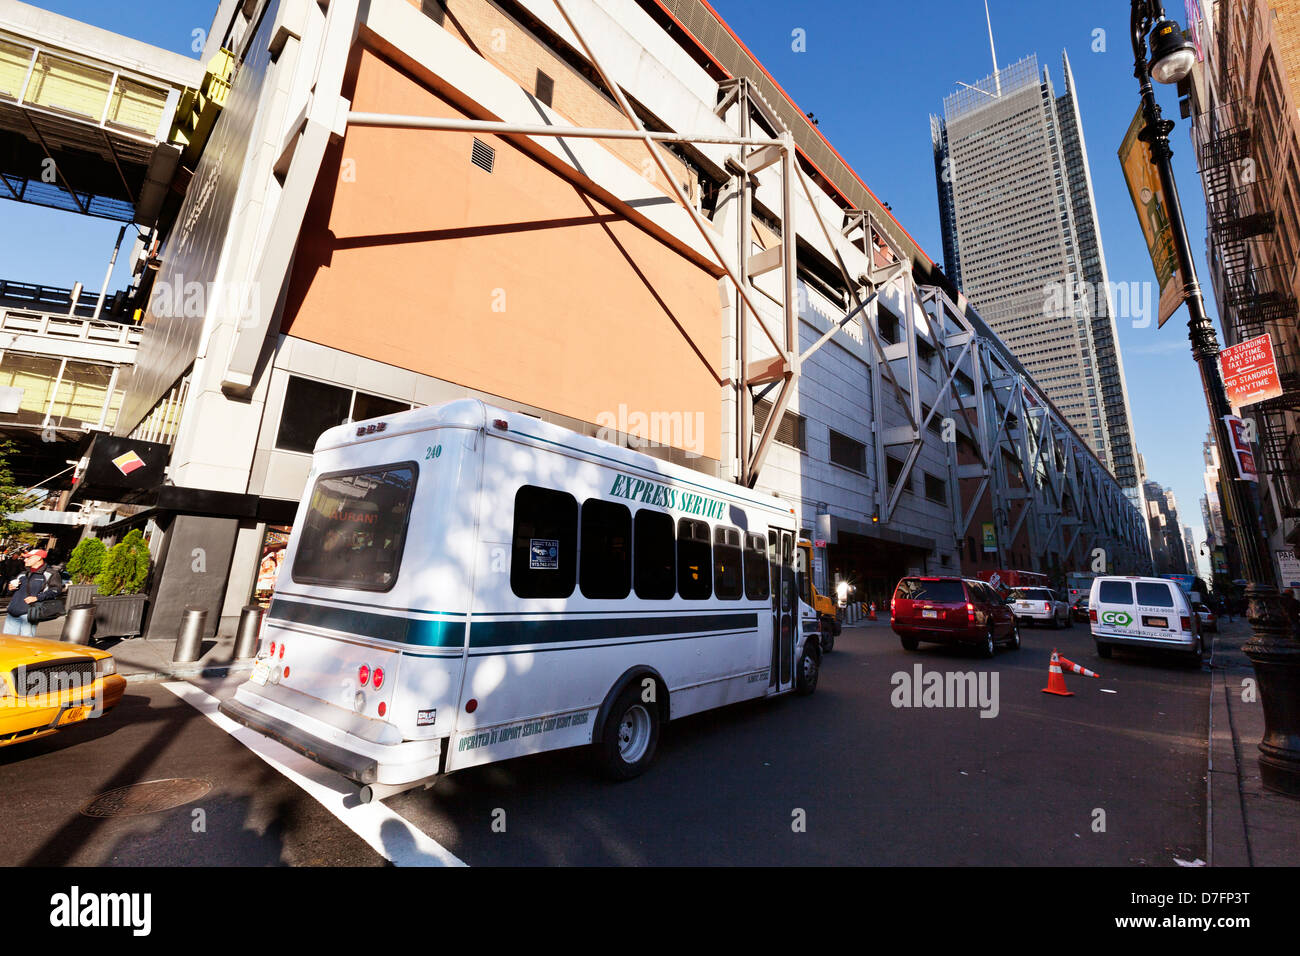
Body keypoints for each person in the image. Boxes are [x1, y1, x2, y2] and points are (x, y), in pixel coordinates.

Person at [4, 549, 64, 637]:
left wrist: (37, 598)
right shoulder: (23, 573)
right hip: (12, 612)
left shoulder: (50, 574)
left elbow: (56, 590)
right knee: (7, 642)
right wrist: (11, 588)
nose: (25, 560)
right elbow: (12, 591)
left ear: (38, 558)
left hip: (30, 613)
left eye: (28, 558)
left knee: (26, 643)